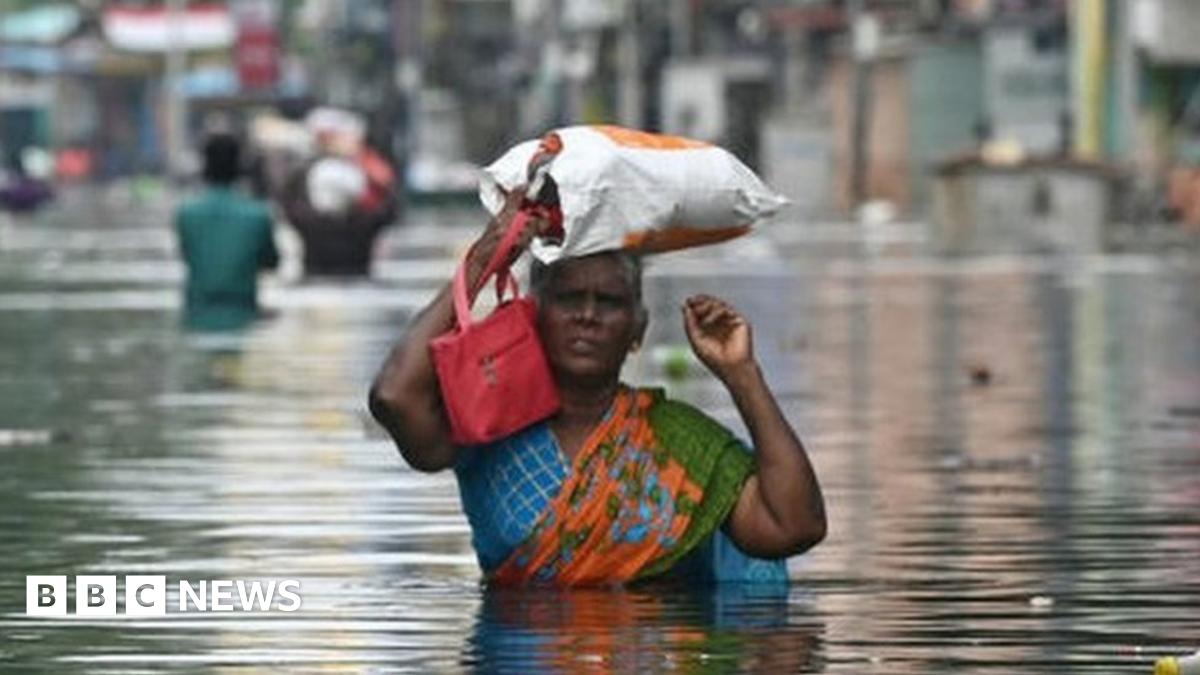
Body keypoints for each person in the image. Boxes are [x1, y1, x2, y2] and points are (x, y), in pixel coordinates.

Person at [369, 188, 826, 586]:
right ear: (534, 315)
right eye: (569, 299)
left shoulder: (681, 442)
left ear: (637, 329)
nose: (587, 315)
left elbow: (793, 526)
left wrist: (742, 374)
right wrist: (486, 257)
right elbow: (394, 396)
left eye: (608, 302)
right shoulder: (491, 429)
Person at [175, 134, 280, 331]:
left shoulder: (186, 214)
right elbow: (272, 263)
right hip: (244, 311)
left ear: (204, 166)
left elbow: (187, 256)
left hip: (196, 314)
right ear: (239, 168)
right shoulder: (258, 215)